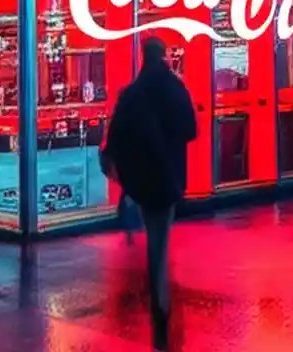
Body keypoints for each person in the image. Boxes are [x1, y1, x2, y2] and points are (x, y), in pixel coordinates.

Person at [103, 37, 198, 351]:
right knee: (161, 232)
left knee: (155, 231)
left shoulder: (133, 93)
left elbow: (116, 135)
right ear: (165, 56)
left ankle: (157, 289)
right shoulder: (174, 89)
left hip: (143, 177)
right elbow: (190, 129)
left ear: (143, 56)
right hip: (170, 175)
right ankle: (159, 294)